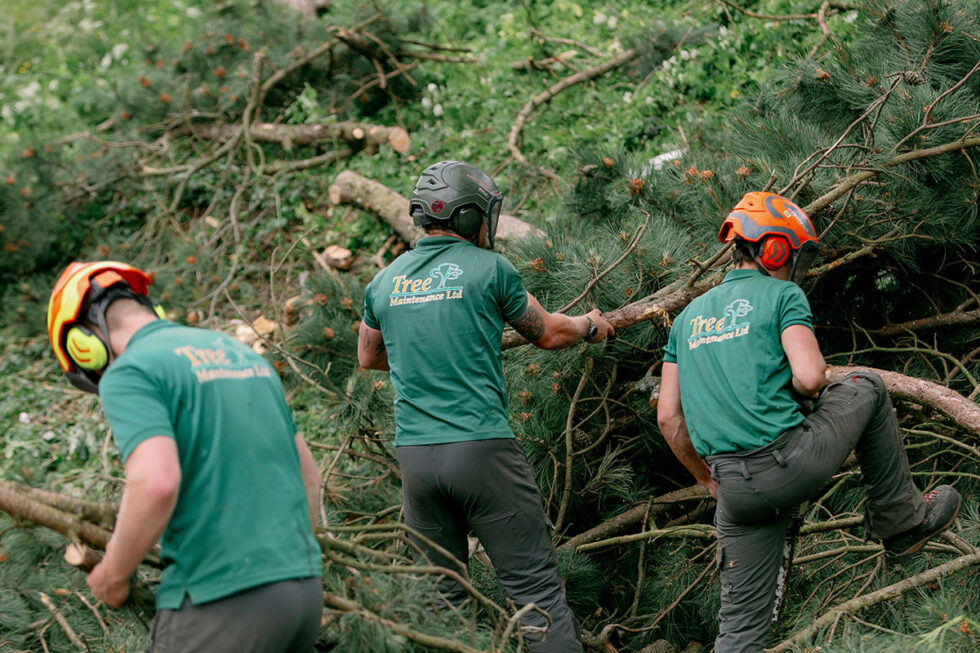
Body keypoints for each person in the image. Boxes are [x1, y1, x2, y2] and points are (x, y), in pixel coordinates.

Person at [656, 191, 962, 652]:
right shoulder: (783, 294)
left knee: (739, 634)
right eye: (796, 255)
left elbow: (668, 419)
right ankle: (903, 524)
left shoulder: (684, 321)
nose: (799, 267)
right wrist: (800, 394)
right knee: (868, 386)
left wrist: (708, 482)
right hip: (788, 463)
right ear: (774, 248)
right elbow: (812, 375)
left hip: (734, 493)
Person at [357, 160, 615, 652]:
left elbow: (369, 356)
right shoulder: (490, 269)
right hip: (480, 450)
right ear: (468, 216)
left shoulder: (384, 283)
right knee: (536, 591)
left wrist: (427, 349)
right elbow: (548, 334)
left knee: (441, 600)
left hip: (416, 460)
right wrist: (588, 324)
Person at [46, 261, 323, 653]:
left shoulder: (130, 371)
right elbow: (309, 478)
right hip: (302, 595)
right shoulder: (241, 355)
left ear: (82, 345)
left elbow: (156, 484)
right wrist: (285, 569)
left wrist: (114, 574)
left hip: (218, 602)